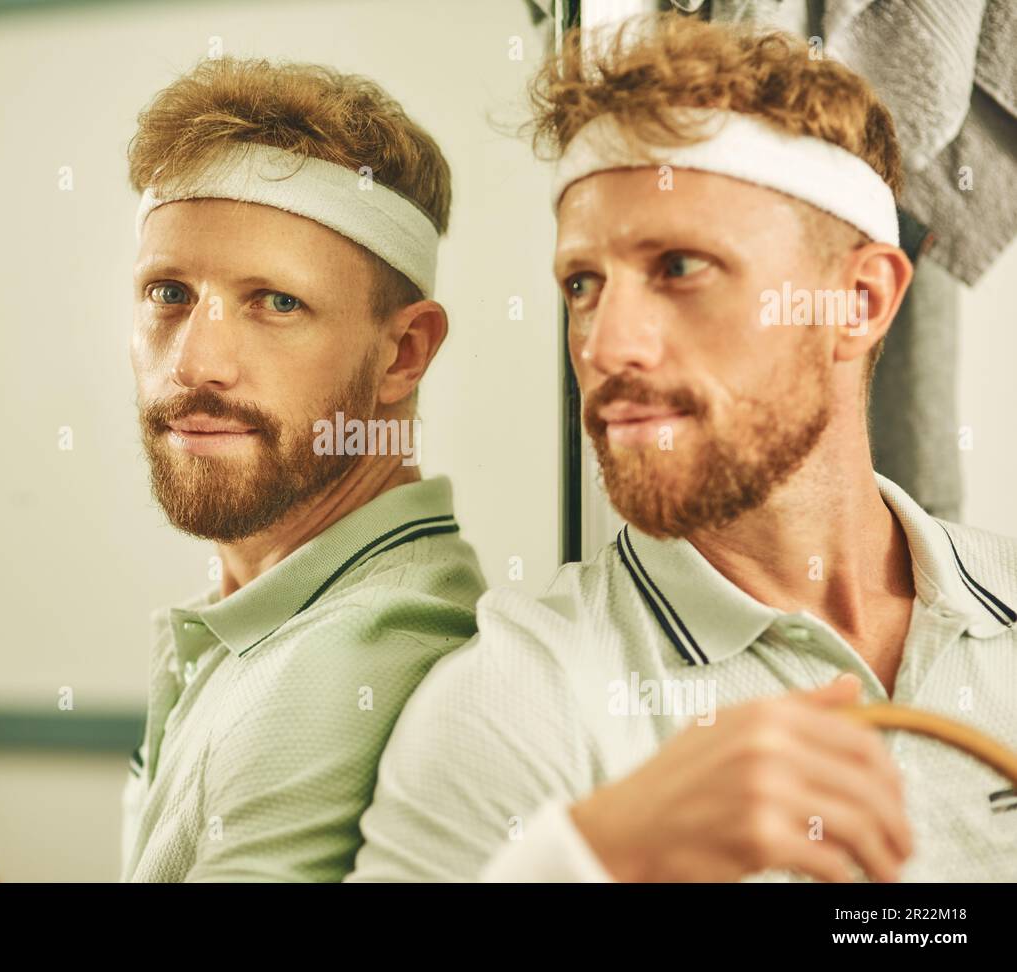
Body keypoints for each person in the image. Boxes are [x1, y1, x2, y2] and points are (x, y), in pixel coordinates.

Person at [0, 56, 486, 883]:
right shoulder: (272, 619)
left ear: (403, 352)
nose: (197, 363)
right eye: (169, 293)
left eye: (277, 302)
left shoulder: (353, 658)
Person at [348, 15, 1017, 883]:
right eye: (582, 284)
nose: (604, 345)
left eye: (679, 268)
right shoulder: (513, 708)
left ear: (859, 300)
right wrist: (584, 862)